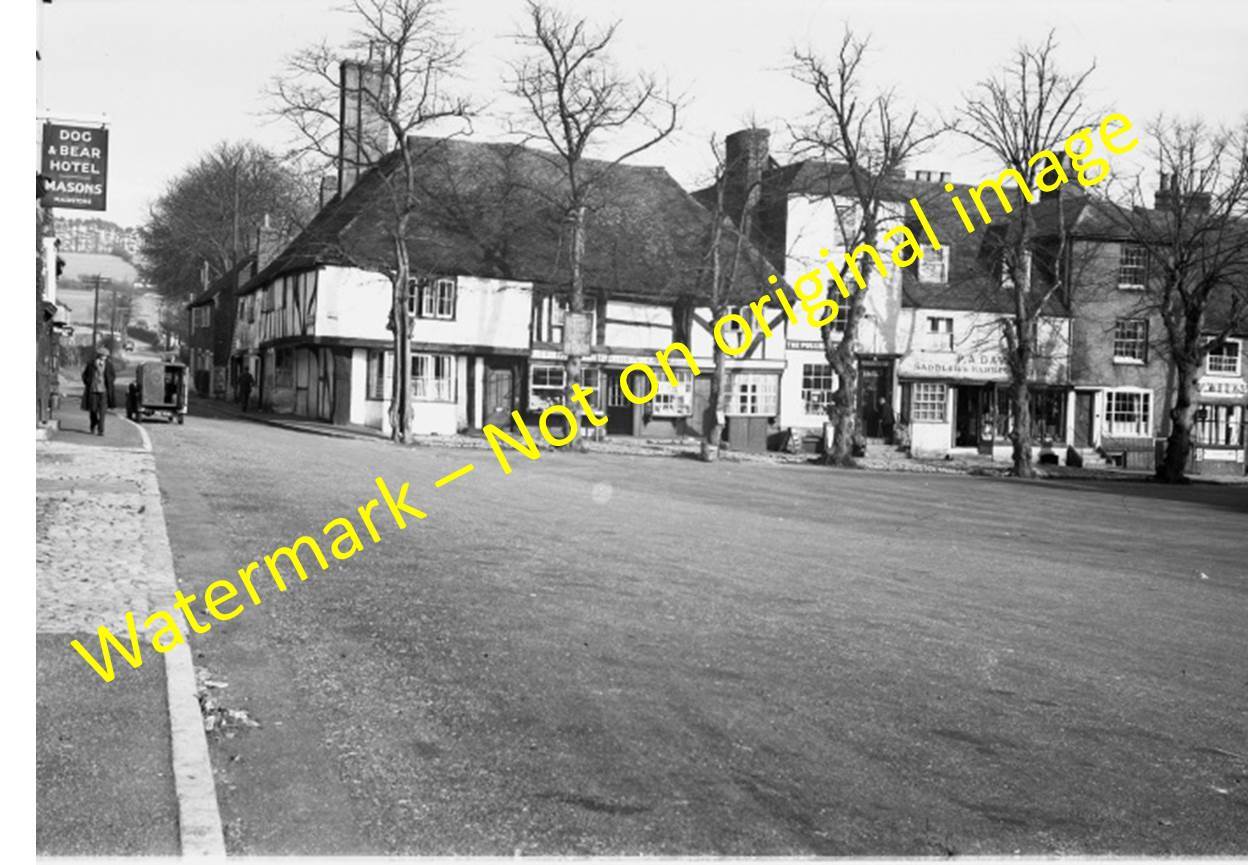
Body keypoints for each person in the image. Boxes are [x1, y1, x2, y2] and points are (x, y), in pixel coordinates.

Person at [81, 347, 116, 436]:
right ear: (99, 355)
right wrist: (88, 382)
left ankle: (101, 430)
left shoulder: (109, 365)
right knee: (93, 410)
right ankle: (93, 424)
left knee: (102, 411)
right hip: (93, 390)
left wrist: (109, 382)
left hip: (104, 391)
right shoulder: (91, 364)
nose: (104, 357)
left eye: (106, 356)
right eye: (103, 355)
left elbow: (113, 376)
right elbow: (85, 375)